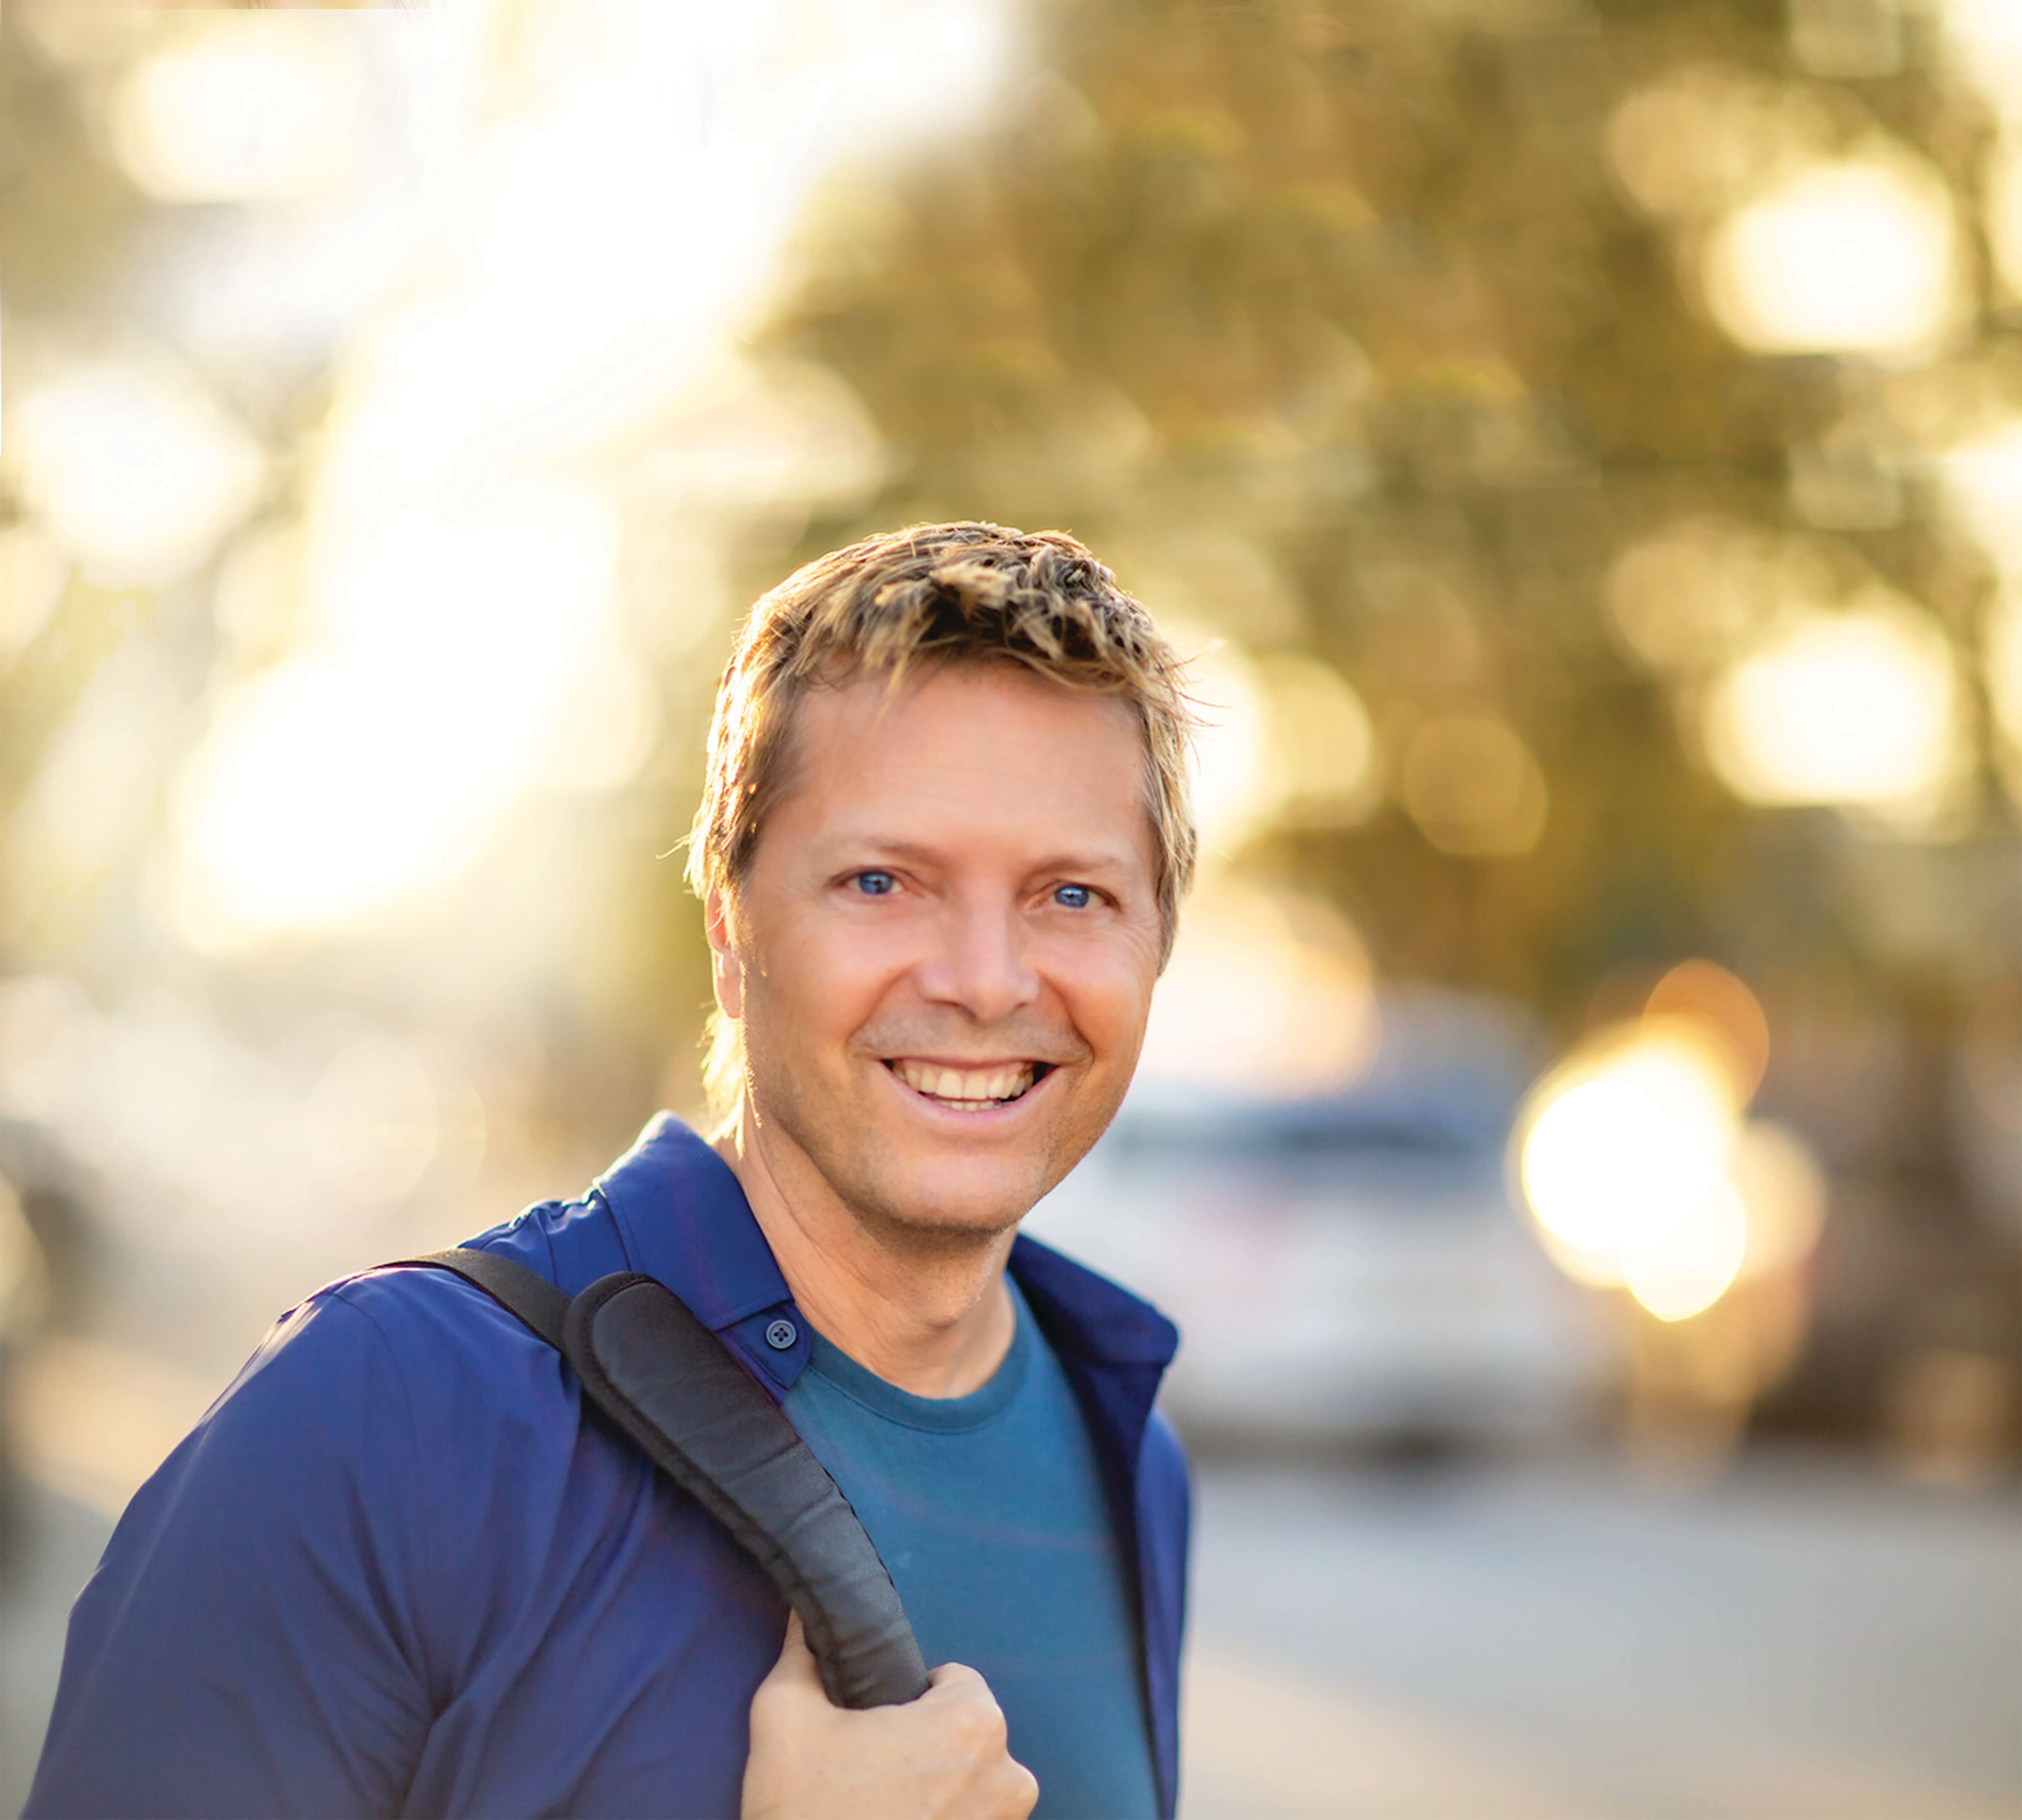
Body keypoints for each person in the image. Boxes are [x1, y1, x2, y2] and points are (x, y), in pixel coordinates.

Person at [26, 522, 1198, 1820]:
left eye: (1072, 896)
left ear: (1156, 942)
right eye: (881, 881)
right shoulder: (383, 1412)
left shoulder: (1127, 1446)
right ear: (730, 933)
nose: (983, 980)